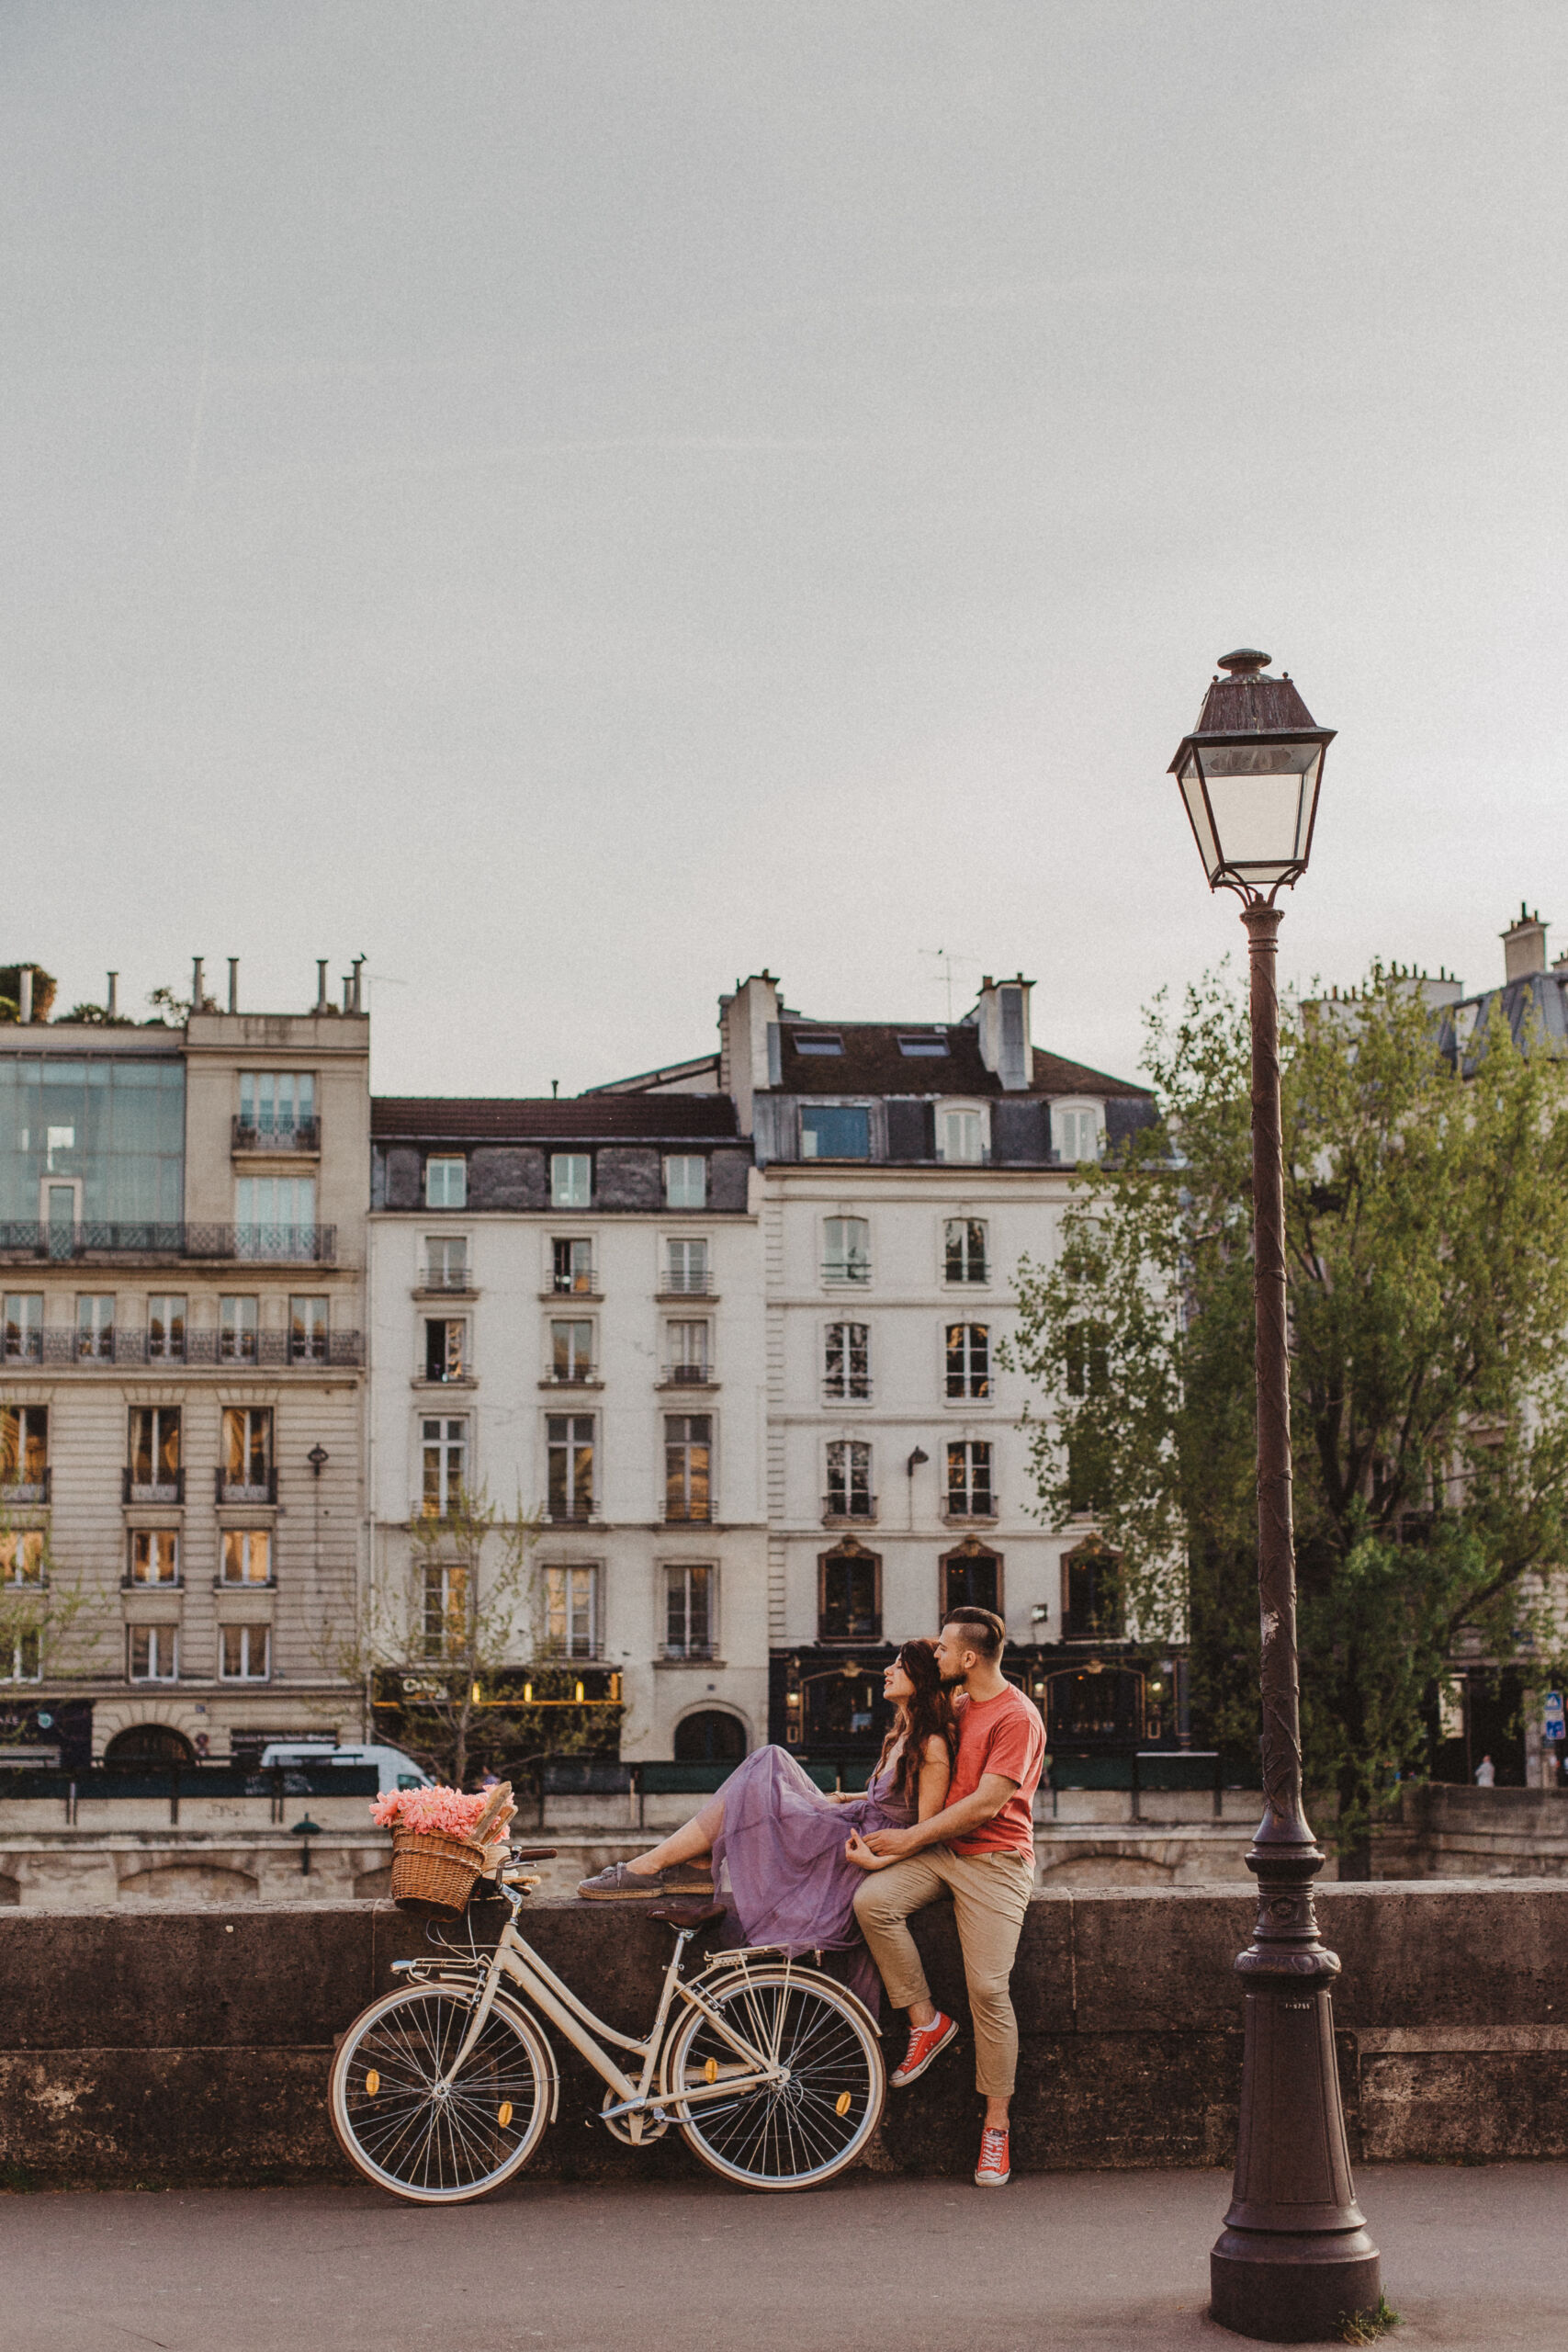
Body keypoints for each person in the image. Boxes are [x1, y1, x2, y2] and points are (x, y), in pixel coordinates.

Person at [575, 1642, 959, 2007]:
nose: (888, 1671)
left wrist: (875, 1862)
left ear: (921, 1679)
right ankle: (678, 1864)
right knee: (767, 1766)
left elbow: (924, 1829)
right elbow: (889, 1797)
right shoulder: (902, 1736)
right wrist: (846, 1797)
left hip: (856, 1847)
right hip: (849, 1823)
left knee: (767, 1767)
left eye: (900, 1665)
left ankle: (653, 1866)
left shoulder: (933, 1745)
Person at [848, 1608, 1045, 2191]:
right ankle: (926, 2020)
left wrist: (905, 1840)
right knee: (872, 1902)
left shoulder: (1018, 1717)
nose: (933, 1657)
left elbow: (987, 1804)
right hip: (946, 1854)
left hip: (996, 1863)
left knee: (988, 1988)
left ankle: (996, 2127)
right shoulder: (957, 1707)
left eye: (940, 1652)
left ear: (967, 1659)